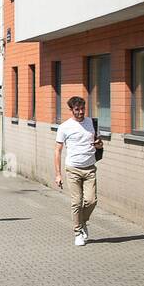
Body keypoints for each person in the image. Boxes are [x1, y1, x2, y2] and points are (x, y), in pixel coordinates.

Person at [55, 96, 104, 246]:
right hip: (73, 169)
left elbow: (100, 144)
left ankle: (82, 222)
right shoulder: (64, 127)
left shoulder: (92, 123)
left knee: (91, 201)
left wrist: (99, 144)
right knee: (76, 202)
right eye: (77, 109)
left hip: (90, 168)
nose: (80, 112)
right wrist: (58, 174)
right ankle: (78, 232)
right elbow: (57, 151)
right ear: (71, 110)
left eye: (82, 109)